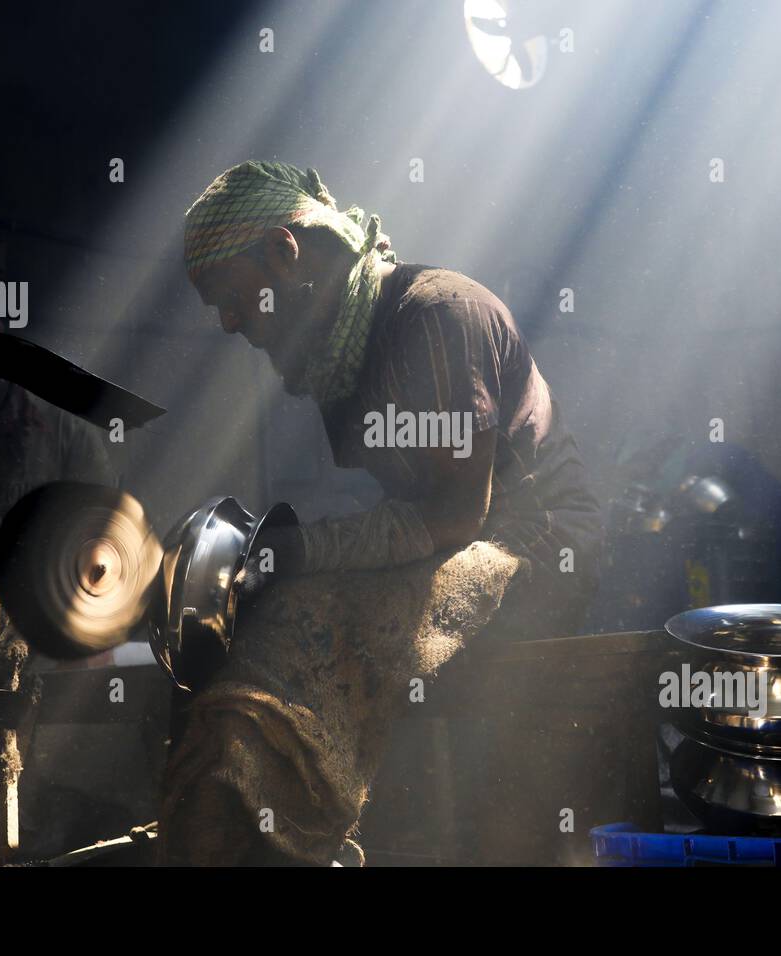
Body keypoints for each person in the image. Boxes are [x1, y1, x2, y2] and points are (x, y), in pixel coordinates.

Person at [162, 161, 602, 864]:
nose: (229, 322)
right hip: (456, 536)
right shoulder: (344, 358)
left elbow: (456, 517)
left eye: (230, 295)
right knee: (269, 621)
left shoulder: (436, 316)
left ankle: (278, 830)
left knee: (304, 624)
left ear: (284, 250)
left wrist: (301, 553)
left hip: (536, 544)